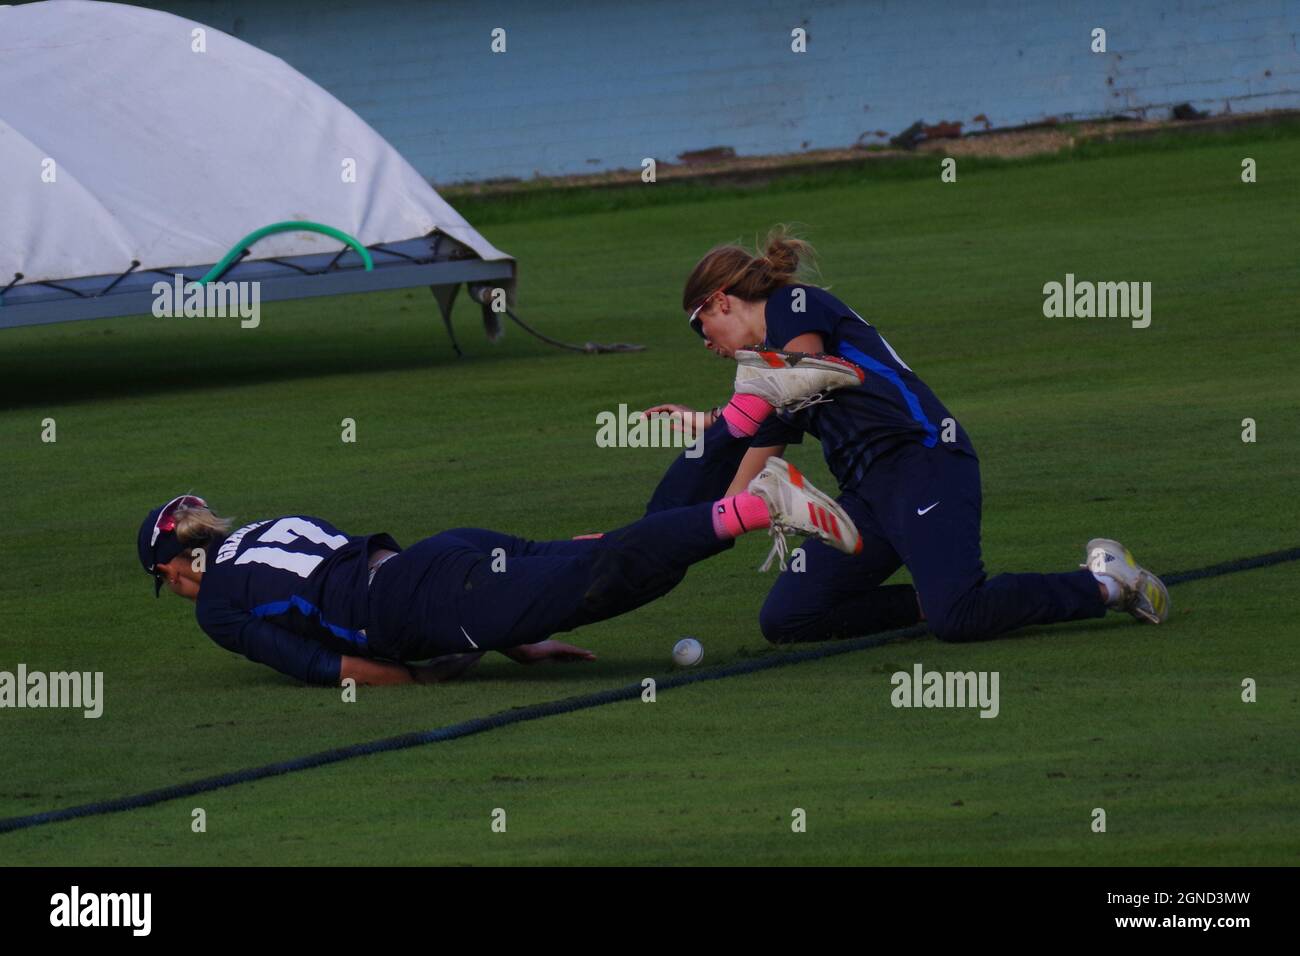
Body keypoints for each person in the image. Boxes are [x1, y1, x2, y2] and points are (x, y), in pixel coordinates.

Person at [135, 354, 863, 687]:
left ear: (172, 567)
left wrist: (420, 674)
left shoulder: (218, 607)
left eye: (166, 581)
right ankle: (745, 409)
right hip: (442, 557)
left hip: (421, 601)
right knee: (626, 552)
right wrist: (515, 638)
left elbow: (319, 664)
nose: (176, 589)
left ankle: (765, 499)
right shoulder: (271, 525)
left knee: (617, 576)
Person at [644, 225, 1169, 645]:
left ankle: (1104, 584)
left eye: (699, 325)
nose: (706, 343)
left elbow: (800, 372)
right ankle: (933, 597)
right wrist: (674, 532)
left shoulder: (792, 306)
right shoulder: (770, 377)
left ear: (721, 300)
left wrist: (724, 422)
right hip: (867, 497)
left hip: (923, 463)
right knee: (788, 618)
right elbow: (741, 487)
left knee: (959, 619)